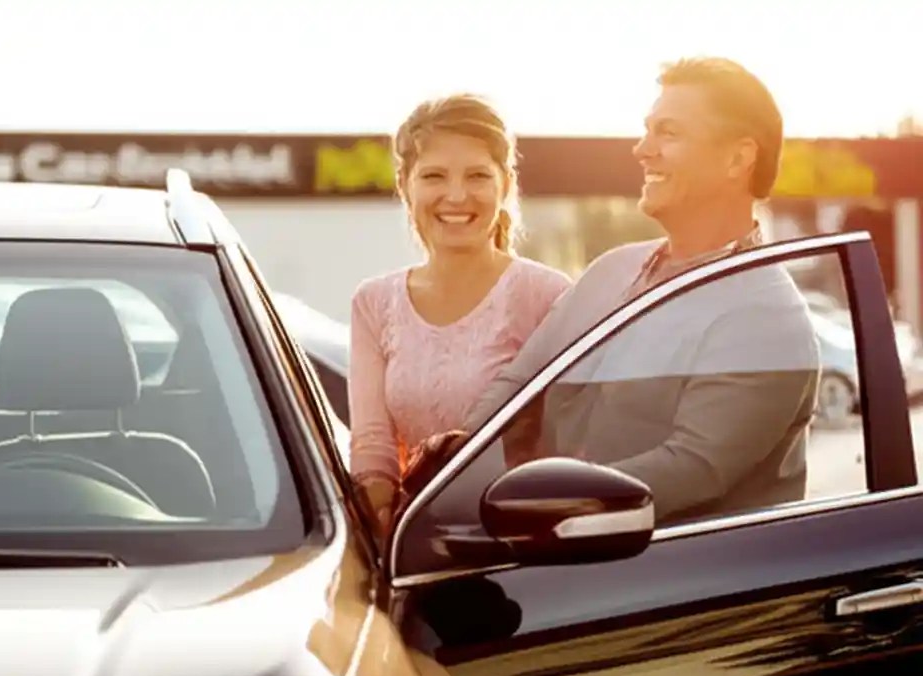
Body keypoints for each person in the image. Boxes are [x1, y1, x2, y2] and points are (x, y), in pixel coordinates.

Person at [455, 57, 820, 525]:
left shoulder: (765, 314)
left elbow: (692, 469)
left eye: (668, 132)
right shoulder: (610, 270)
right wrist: (456, 464)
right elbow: (517, 385)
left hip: (672, 587)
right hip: (553, 566)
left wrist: (532, 508)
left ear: (737, 158)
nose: (641, 150)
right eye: (647, 130)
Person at [347, 93, 572, 539]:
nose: (456, 195)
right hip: (415, 546)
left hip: (523, 545)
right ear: (404, 184)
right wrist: (383, 530)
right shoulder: (373, 303)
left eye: (477, 176)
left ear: (505, 185)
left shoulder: (548, 296)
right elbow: (373, 450)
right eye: (434, 176)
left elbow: (570, 449)